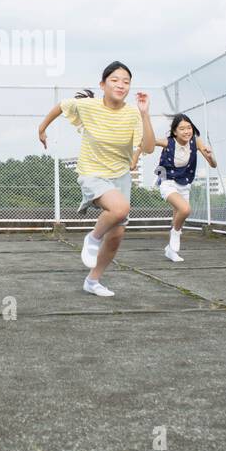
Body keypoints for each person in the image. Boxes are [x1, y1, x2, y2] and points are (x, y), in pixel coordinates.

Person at [38, 61, 155, 296]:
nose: (121, 85)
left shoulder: (133, 113)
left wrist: (144, 114)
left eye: (126, 82)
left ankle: (93, 280)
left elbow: (149, 148)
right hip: (92, 172)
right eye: (115, 80)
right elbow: (61, 106)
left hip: (120, 176)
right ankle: (92, 238)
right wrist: (41, 128)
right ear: (103, 84)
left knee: (118, 234)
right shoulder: (89, 106)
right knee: (120, 209)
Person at [140, 113, 216, 262]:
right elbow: (148, 144)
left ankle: (171, 251)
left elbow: (213, 165)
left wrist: (211, 155)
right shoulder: (168, 142)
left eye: (189, 127)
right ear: (175, 131)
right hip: (168, 182)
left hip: (184, 183)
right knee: (185, 209)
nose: (187, 131)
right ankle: (175, 234)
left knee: (178, 218)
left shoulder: (196, 142)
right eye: (182, 128)